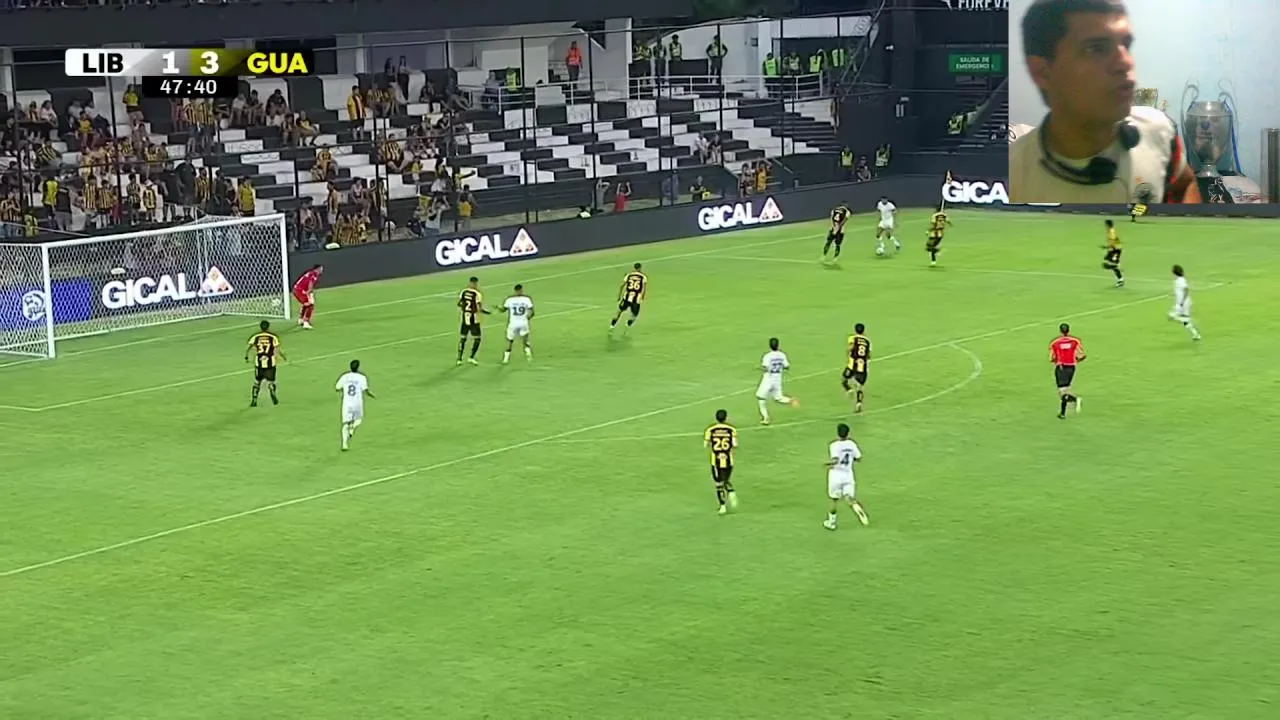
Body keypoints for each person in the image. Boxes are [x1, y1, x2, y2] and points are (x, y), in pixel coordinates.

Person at [1009, 0, 1201, 203]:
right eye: (1096, 48)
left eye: (1126, 44)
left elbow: (1187, 184)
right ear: (1043, 72)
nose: (1125, 62)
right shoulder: (1011, 177)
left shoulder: (1158, 130)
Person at [823, 423, 869, 531]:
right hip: (848, 475)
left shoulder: (834, 445)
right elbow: (858, 458)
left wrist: (827, 464)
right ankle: (855, 506)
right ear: (848, 433)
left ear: (838, 433)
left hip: (836, 475)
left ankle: (831, 523)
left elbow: (835, 460)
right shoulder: (852, 444)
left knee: (834, 499)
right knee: (848, 497)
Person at [703, 409, 739, 515]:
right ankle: (731, 492)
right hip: (728, 459)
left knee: (718, 484)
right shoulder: (731, 429)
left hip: (716, 460)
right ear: (726, 418)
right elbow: (735, 445)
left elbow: (705, 445)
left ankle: (722, 506)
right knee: (726, 479)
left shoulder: (710, 430)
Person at [756, 337, 798, 425]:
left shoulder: (767, 356)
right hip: (777, 379)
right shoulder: (782, 355)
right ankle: (790, 400)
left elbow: (765, 367)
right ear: (778, 345)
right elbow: (786, 366)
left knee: (760, 397)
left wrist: (760, 369)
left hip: (768, 379)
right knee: (778, 397)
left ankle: (766, 418)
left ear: (770, 345)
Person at [335, 359, 374, 451]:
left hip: (347, 403)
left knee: (345, 424)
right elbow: (366, 390)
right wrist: (372, 395)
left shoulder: (345, 376)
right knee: (359, 420)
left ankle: (344, 444)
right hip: (357, 403)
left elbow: (337, 388)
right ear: (358, 367)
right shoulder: (362, 377)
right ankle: (352, 428)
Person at [1049, 323, 1086, 418]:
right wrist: (1076, 360)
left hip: (1061, 368)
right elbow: (1082, 355)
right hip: (1071, 368)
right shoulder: (1075, 341)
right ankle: (1062, 413)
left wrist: (1056, 360)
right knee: (1066, 390)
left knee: (1062, 392)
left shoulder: (1055, 343)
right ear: (1068, 330)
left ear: (1060, 331)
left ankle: (1075, 400)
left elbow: (1052, 358)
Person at [245, 320, 285, 407]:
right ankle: (271, 389)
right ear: (268, 327)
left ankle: (254, 400)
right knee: (271, 381)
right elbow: (278, 350)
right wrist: (284, 357)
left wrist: (246, 356)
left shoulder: (255, 336)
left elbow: (248, 347)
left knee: (257, 382)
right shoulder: (273, 337)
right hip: (270, 362)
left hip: (259, 363)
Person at [457, 276, 490, 365]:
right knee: (477, 338)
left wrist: (465, 309)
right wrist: (486, 312)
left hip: (465, 317)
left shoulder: (463, 292)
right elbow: (479, 308)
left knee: (463, 338)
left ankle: (459, 359)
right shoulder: (477, 294)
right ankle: (471, 357)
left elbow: (459, 303)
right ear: (475, 283)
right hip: (474, 319)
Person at [500, 284, 535, 364]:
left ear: (515, 291)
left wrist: (498, 308)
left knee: (510, 341)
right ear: (522, 290)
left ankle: (505, 359)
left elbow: (503, 309)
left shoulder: (509, 300)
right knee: (525, 340)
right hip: (523, 323)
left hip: (513, 324)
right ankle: (529, 356)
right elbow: (532, 312)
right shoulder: (526, 299)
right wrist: (528, 317)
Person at [610, 263, 647, 335]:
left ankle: (612, 325)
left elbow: (621, 286)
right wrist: (642, 297)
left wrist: (619, 296)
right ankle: (628, 324)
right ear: (640, 268)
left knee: (619, 311)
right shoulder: (643, 277)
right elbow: (643, 288)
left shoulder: (629, 275)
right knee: (635, 315)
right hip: (636, 299)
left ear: (634, 268)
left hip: (626, 297)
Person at [842, 323, 871, 413]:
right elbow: (868, 355)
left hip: (852, 365)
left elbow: (850, 348)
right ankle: (859, 403)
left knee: (844, 379)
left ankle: (849, 389)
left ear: (855, 330)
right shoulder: (867, 341)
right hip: (863, 367)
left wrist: (848, 356)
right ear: (864, 331)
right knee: (859, 387)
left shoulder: (852, 338)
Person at [1169, 265, 1202, 341]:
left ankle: (1189, 321)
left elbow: (1186, 290)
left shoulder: (1180, 280)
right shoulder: (1178, 280)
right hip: (1181, 303)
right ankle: (1196, 334)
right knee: (1183, 321)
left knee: (1173, 316)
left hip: (1183, 303)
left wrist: (1182, 302)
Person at [292, 264, 323, 329]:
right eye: (321, 268)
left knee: (306, 304)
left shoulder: (310, 273)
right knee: (310, 304)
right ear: (318, 269)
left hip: (296, 289)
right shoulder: (314, 274)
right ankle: (306, 322)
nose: (322, 270)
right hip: (300, 290)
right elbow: (310, 282)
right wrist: (309, 291)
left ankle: (301, 319)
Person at [1101, 219, 1124, 287]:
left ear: (1108, 225)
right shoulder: (1110, 231)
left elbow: (1113, 241)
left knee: (1110, 265)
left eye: (1105, 225)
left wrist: (1107, 247)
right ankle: (1118, 270)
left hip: (1116, 250)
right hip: (1113, 249)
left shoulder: (1111, 232)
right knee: (1106, 263)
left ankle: (1120, 279)